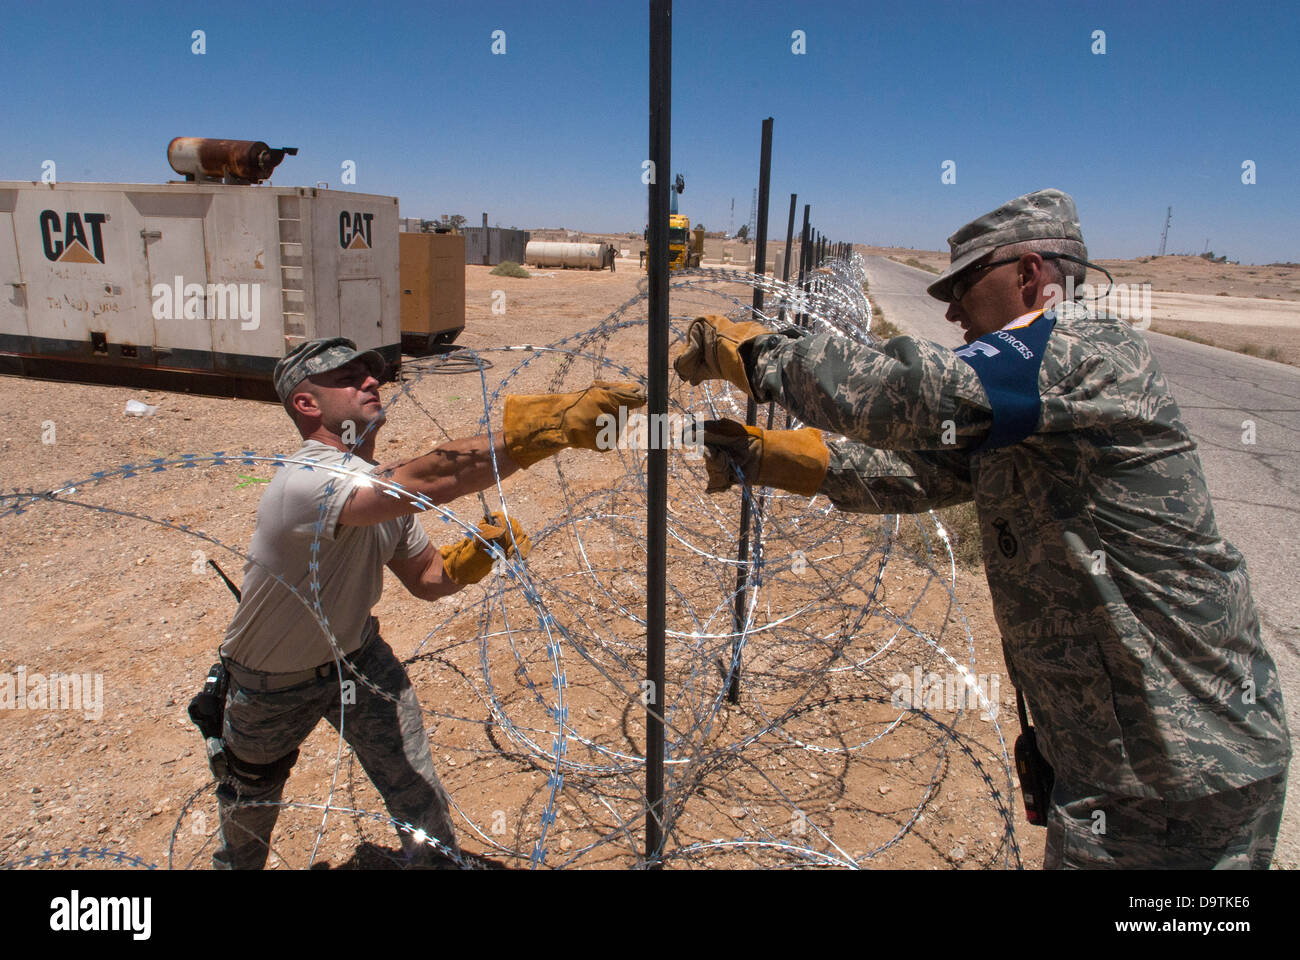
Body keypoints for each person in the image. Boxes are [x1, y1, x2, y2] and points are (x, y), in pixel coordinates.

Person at [675, 189, 1291, 869]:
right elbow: (920, 470)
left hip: (1177, 769)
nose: (951, 308)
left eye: (965, 285)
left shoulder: (1080, 350)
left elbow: (912, 395)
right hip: (1128, 761)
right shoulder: (1027, 406)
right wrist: (765, 456)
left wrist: (758, 354)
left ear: (1030, 275)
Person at [213, 336, 643, 869]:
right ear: (306, 405)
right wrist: (548, 427)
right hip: (270, 683)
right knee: (250, 810)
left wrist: (472, 559)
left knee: (414, 784)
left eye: (370, 373)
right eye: (348, 377)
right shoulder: (307, 481)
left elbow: (427, 577)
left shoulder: (379, 492)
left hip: (358, 659)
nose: (370, 380)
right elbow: (439, 475)